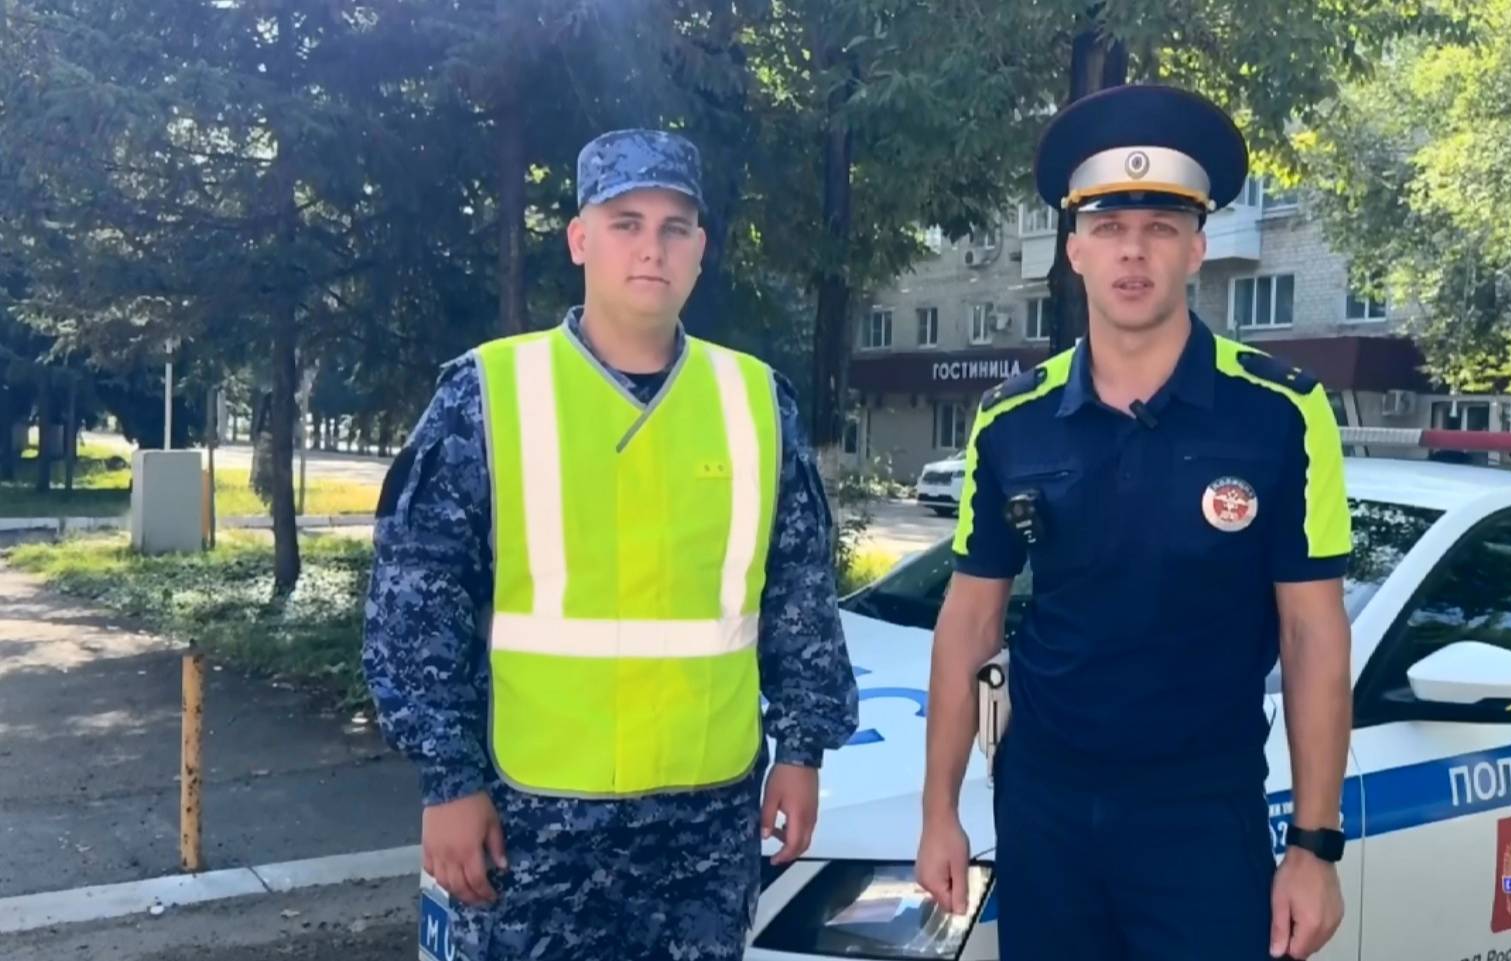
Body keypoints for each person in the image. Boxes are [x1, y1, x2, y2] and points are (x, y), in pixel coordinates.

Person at [363, 127, 860, 961]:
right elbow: (415, 606)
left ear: (700, 248)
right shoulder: (488, 392)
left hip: (705, 828)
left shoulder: (753, 399)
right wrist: (448, 781)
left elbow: (798, 597)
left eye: (673, 227)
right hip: (534, 822)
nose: (650, 248)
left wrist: (800, 749)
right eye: (625, 223)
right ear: (579, 239)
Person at [914, 84, 1355, 960]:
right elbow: (969, 620)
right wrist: (939, 812)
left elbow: (1312, 634)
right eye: (1109, 226)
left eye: (1159, 227)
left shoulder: (1280, 411)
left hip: (1202, 815)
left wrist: (1314, 845)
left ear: (1195, 248)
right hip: (1044, 810)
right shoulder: (1010, 419)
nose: (1132, 251)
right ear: (1073, 248)